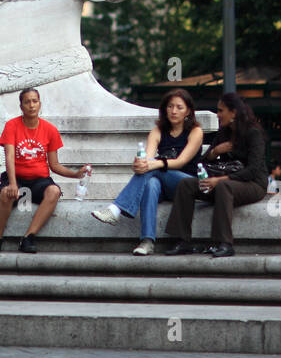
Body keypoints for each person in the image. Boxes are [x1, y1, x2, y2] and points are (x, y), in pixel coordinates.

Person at [91, 88, 204, 255]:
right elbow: (148, 161)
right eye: (170, 106)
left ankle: (116, 209)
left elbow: (182, 161)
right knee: (150, 183)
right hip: (162, 184)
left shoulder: (195, 131)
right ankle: (147, 241)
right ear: (164, 109)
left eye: (179, 107)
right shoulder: (157, 131)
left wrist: (152, 164)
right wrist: (139, 166)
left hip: (186, 184)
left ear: (188, 111)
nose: (173, 111)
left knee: (153, 169)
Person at [0, 89, 91, 253]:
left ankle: (28, 237)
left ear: (40, 104)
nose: (31, 105)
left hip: (39, 181)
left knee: (54, 191)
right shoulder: (12, 125)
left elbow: (54, 165)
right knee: (6, 192)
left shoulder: (50, 130)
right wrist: (13, 184)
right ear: (21, 106)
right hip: (17, 178)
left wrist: (75, 174)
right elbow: (9, 156)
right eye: (27, 102)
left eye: (35, 101)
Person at [164, 93, 268, 258]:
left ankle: (224, 243)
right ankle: (182, 240)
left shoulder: (253, 133)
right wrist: (216, 151)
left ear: (233, 112)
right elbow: (203, 161)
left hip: (253, 184)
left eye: (221, 111)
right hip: (224, 183)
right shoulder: (223, 133)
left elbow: (253, 170)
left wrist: (219, 180)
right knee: (186, 184)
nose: (218, 115)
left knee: (223, 186)